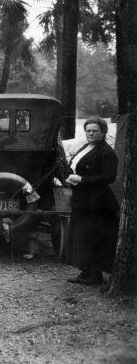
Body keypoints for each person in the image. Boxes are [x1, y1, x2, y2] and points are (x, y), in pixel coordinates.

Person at [63, 117, 119, 286]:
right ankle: (86, 271)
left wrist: (82, 179)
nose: (91, 133)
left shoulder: (106, 152)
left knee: (94, 237)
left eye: (95, 131)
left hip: (98, 202)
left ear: (103, 132)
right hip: (83, 200)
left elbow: (109, 177)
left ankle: (95, 275)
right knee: (83, 237)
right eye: (88, 130)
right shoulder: (86, 147)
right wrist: (72, 178)